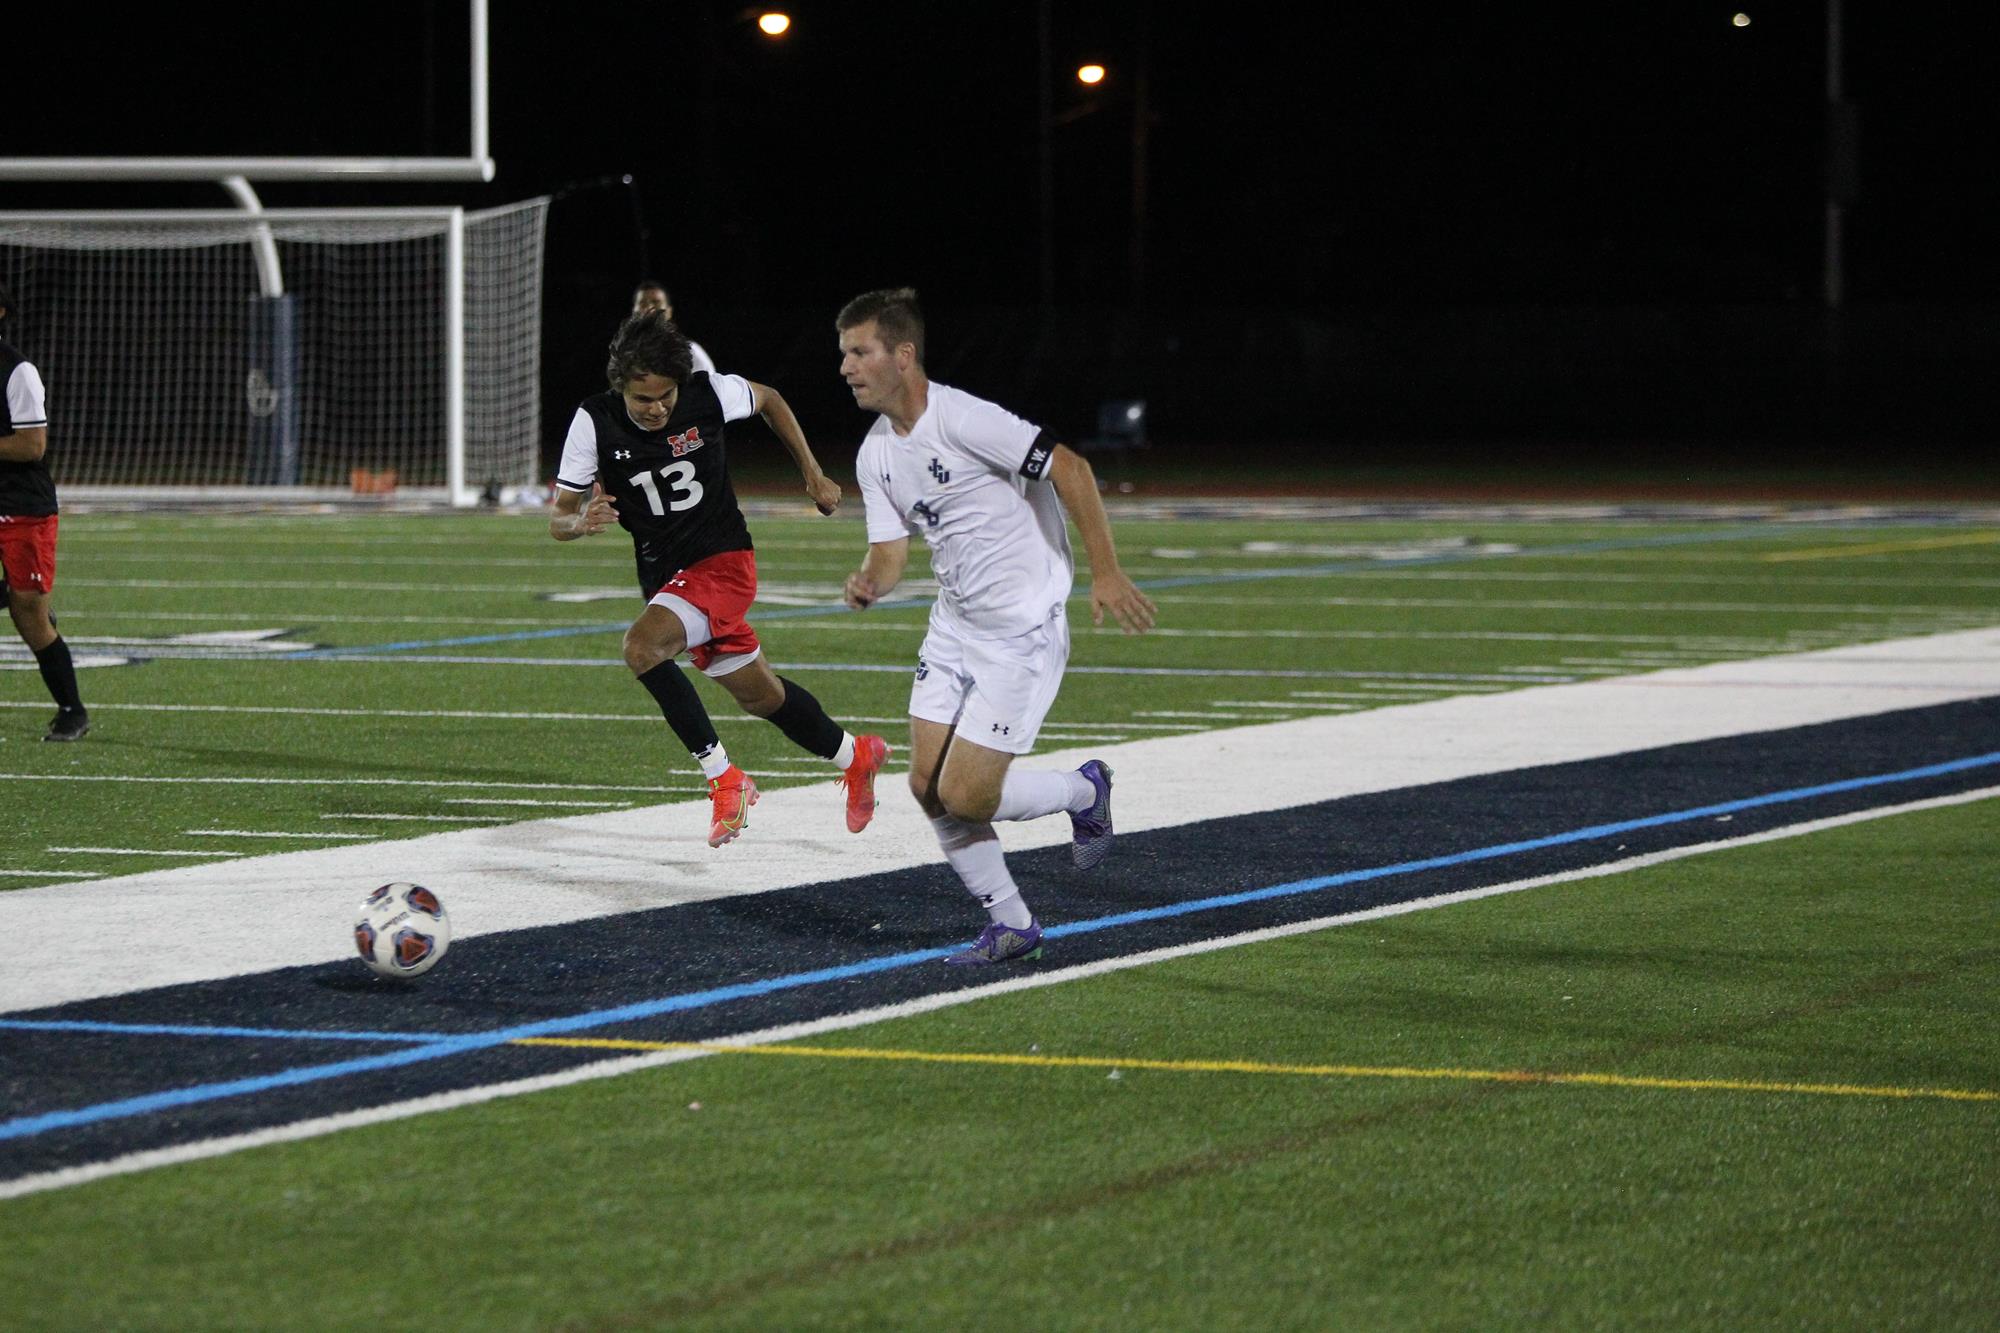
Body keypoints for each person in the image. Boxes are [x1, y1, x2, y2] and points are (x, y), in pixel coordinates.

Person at [836, 288, 1157, 965]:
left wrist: (1105, 570)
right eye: (843, 354)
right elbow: (891, 553)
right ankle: (1012, 923)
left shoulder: (963, 419)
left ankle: (1082, 789)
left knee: (965, 795)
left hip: (1021, 632)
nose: (847, 366)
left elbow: (1071, 467)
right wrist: (871, 581)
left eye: (859, 351)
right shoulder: (875, 454)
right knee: (927, 786)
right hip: (954, 627)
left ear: (903, 354)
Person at [551, 310, 887, 846]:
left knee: (641, 648)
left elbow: (771, 398)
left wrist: (814, 474)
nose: (658, 407)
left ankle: (725, 779)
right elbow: (558, 518)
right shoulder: (594, 421)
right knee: (761, 698)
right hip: (666, 575)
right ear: (620, 388)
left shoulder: (709, 394)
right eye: (644, 400)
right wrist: (579, 522)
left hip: (724, 561)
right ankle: (856, 755)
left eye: (667, 395)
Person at [0, 283, 88, 742]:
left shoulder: (18, 371)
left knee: (29, 615)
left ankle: (72, 710)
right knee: (21, 602)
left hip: (22, 508)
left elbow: (32, 446)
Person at [630, 281, 717, 375]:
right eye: (642, 304)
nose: (649, 308)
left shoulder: (690, 353)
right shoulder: (623, 353)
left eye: (656, 303)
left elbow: (709, 387)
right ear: (633, 311)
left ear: (669, 311)